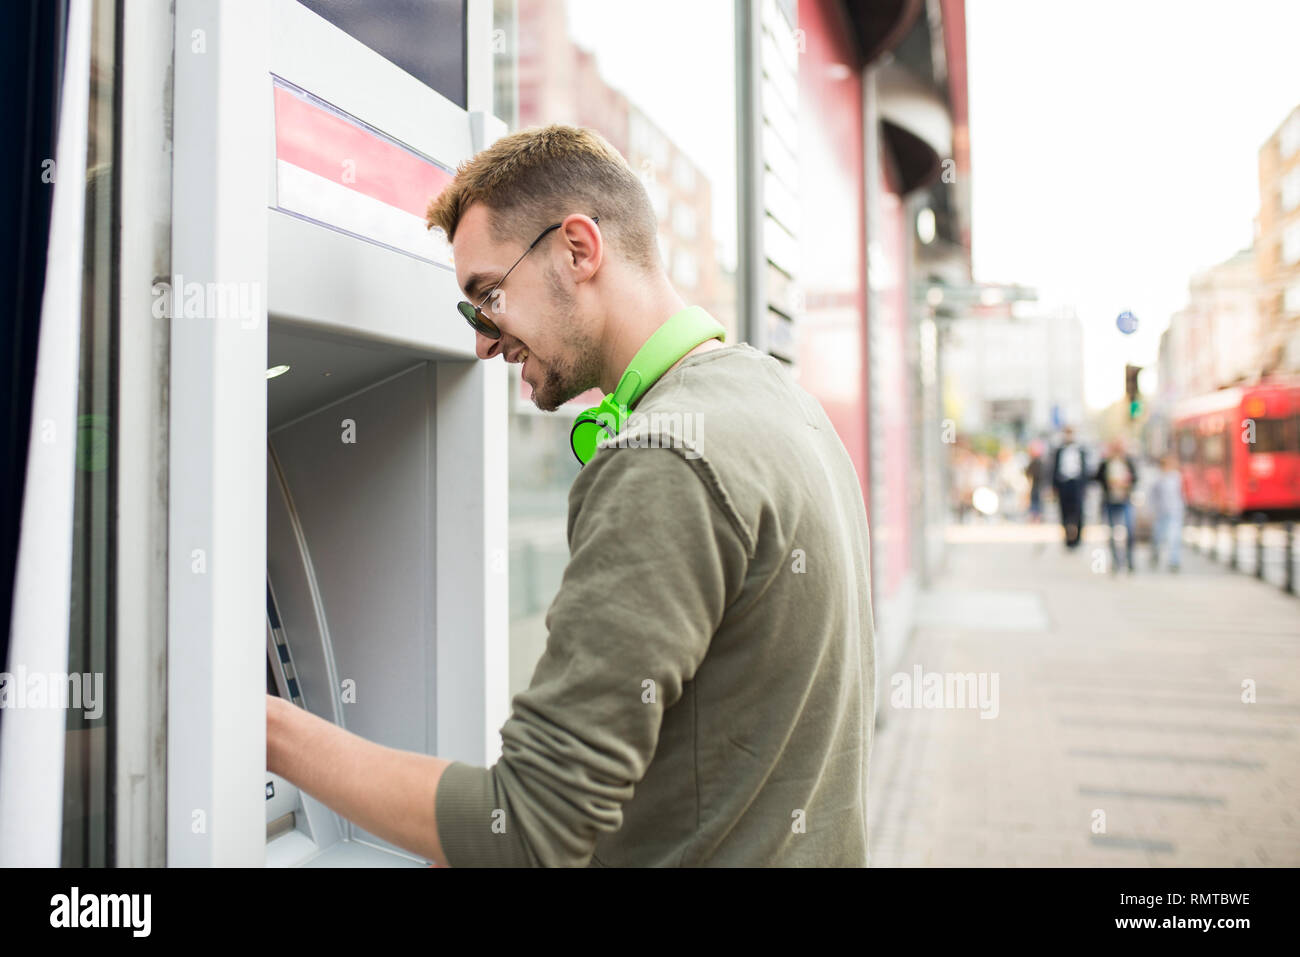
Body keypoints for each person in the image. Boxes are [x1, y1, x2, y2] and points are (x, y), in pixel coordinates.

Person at [266, 125, 876, 867]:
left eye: (488, 294)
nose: (485, 340)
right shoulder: (783, 404)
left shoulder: (665, 457)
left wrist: (261, 724)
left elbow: (526, 829)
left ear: (578, 249)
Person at [1095, 438, 1139, 573]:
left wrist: (1127, 484)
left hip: (1124, 499)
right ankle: (1116, 561)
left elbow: (1136, 478)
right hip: (1110, 500)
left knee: (1129, 531)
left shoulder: (1128, 462)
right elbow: (1097, 477)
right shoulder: (1106, 463)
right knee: (1112, 532)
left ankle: (1129, 561)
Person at [1051, 425, 1087, 548]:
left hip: (1076, 484)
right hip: (1063, 484)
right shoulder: (1059, 450)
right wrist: (1054, 486)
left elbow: (1085, 470)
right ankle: (1067, 538)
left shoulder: (1081, 450)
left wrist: (1084, 486)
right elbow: (1053, 469)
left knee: (1078, 512)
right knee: (1064, 512)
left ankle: (1077, 538)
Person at [1148, 452, 1185, 572]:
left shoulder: (1177, 477)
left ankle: (1174, 561)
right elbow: (1152, 496)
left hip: (1175, 511)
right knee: (1158, 536)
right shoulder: (1158, 478)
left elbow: (1182, 494)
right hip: (1161, 512)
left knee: (1175, 537)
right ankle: (1155, 553)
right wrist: (1153, 509)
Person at [1024, 439, 1047, 523]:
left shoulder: (1037, 462)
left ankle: (1036, 517)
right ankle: (1036, 517)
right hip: (1036, 485)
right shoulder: (1039, 462)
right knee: (1036, 502)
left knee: (1037, 502)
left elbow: (1029, 474)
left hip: (1036, 485)